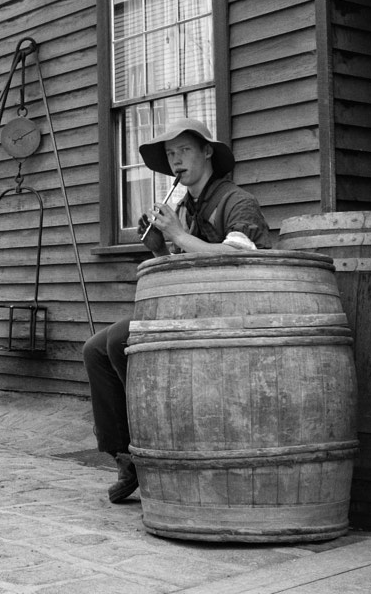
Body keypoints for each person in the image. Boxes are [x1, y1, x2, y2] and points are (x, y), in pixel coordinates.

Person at [83, 118, 272, 503]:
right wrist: (157, 246)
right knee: (95, 348)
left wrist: (177, 235)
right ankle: (125, 455)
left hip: (237, 310)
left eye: (184, 150)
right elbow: (177, 266)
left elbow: (238, 255)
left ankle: (154, 437)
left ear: (207, 152)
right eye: (170, 154)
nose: (176, 161)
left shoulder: (237, 200)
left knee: (123, 339)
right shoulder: (184, 207)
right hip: (190, 307)